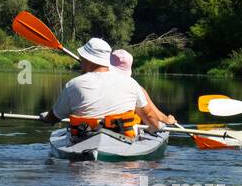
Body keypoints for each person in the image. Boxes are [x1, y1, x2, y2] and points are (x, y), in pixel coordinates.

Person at [38, 37, 168, 135]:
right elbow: (150, 117)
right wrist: (157, 128)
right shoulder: (132, 84)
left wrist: (46, 118)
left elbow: (54, 117)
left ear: (88, 60)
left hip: (84, 139)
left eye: (82, 59)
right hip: (123, 141)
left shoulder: (73, 84)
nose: (81, 62)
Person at [110, 48, 177, 127]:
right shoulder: (135, 87)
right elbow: (153, 114)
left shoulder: (95, 83)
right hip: (125, 130)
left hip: (98, 127)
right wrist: (167, 120)